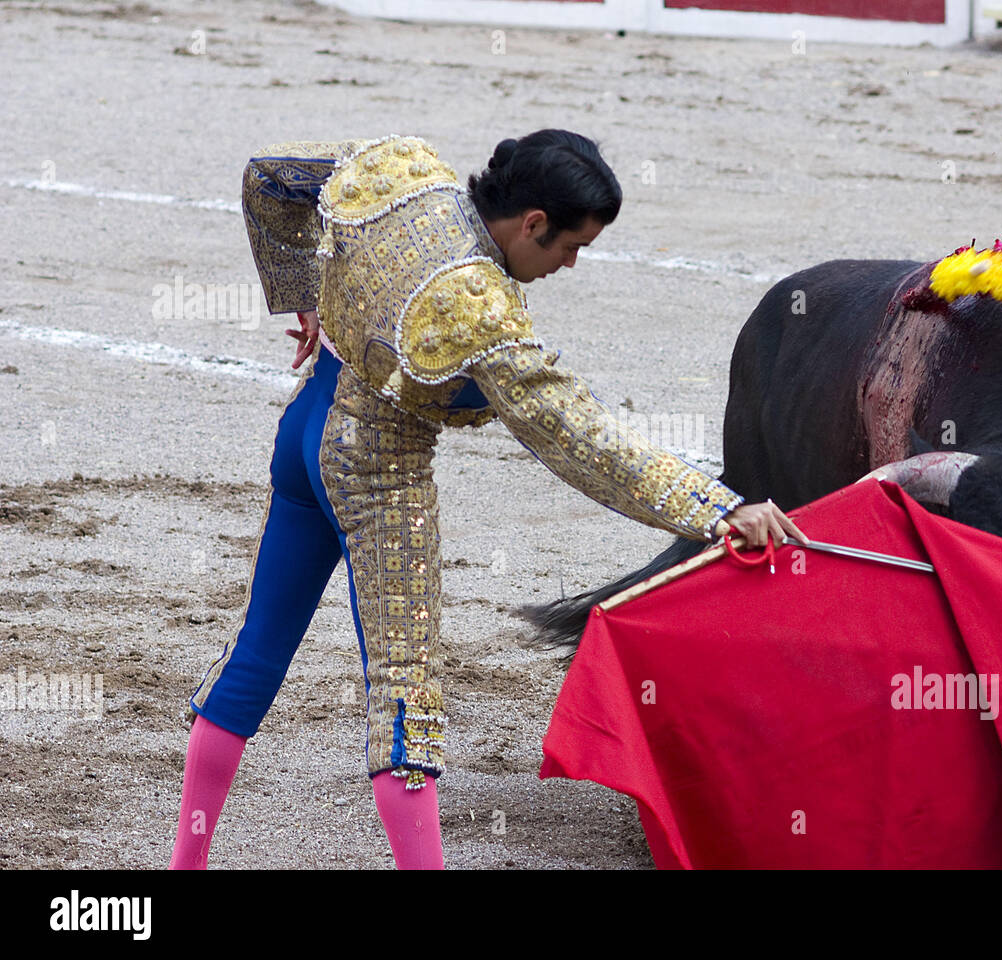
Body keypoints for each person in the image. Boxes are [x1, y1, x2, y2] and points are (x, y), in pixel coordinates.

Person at [169, 129, 807, 869]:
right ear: (532, 222)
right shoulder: (478, 308)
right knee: (405, 697)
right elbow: (582, 439)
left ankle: (184, 865)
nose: (569, 264)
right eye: (571, 247)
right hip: (376, 470)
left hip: (304, 428)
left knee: (257, 650)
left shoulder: (407, 171)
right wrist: (717, 508)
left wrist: (304, 300)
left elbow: (270, 180)